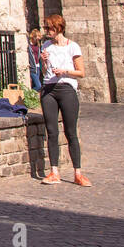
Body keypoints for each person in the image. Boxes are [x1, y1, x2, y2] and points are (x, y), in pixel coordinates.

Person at [38, 13, 91, 186]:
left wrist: (65, 71)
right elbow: (44, 72)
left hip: (67, 89)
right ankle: (54, 172)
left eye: (49, 28)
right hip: (49, 89)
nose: (47, 31)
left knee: (71, 132)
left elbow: (81, 72)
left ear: (58, 27)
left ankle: (78, 172)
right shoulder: (46, 45)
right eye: (46, 28)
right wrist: (43, 61)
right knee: (52, 131)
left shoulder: (72, 46)